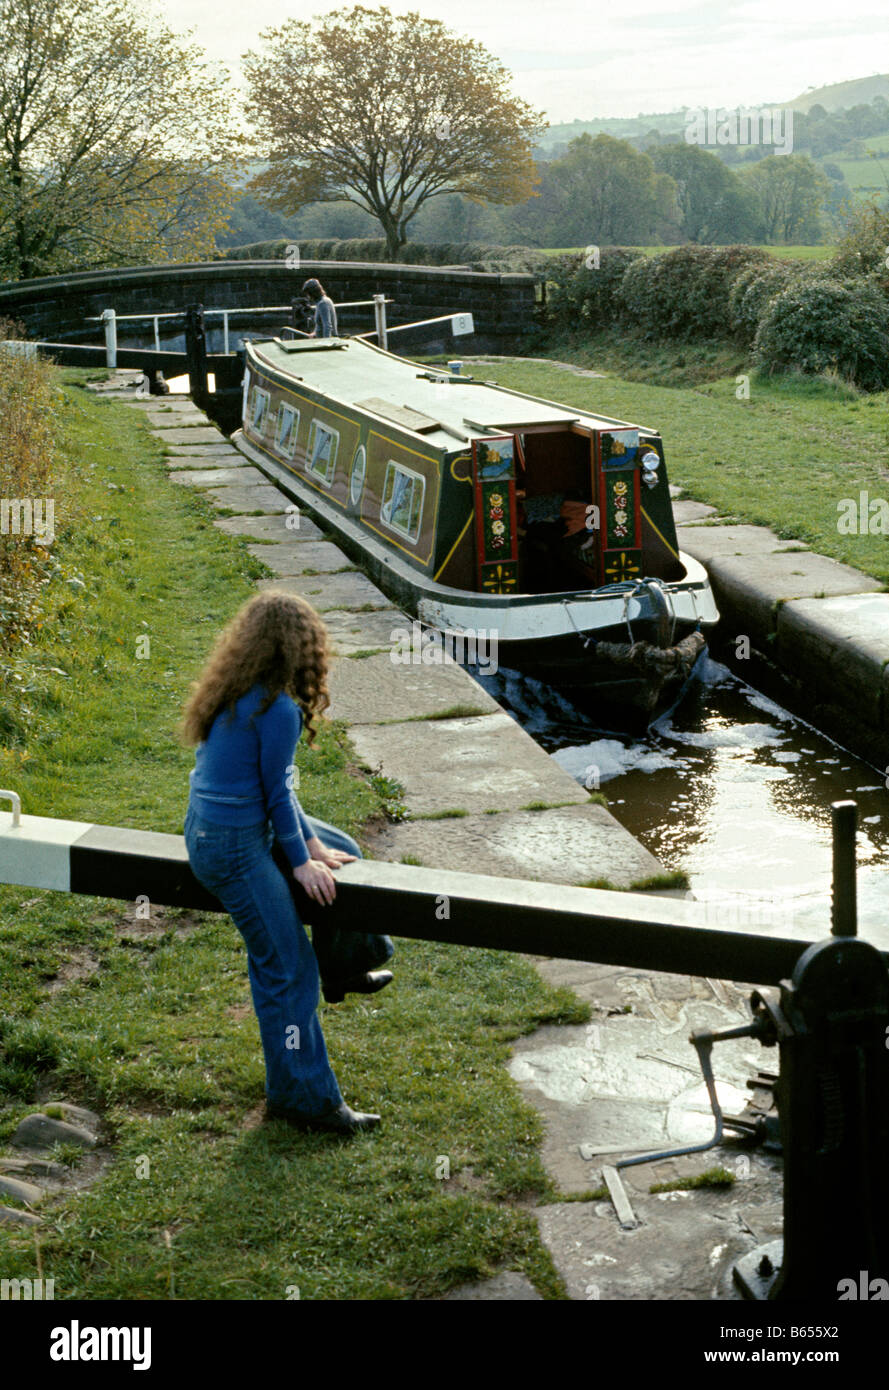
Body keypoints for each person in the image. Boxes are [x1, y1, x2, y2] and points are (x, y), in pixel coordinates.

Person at [180, 589, 393, 1135]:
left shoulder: (234, 689)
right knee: (285, 969)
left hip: (218, 826)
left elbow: (280, 790)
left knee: (343, 846)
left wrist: (315, 847)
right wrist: (300, 862)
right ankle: (305, 1100)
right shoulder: (275, 708)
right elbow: (275, 793)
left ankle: (346, 966)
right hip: (231, 845)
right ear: (304, 648)